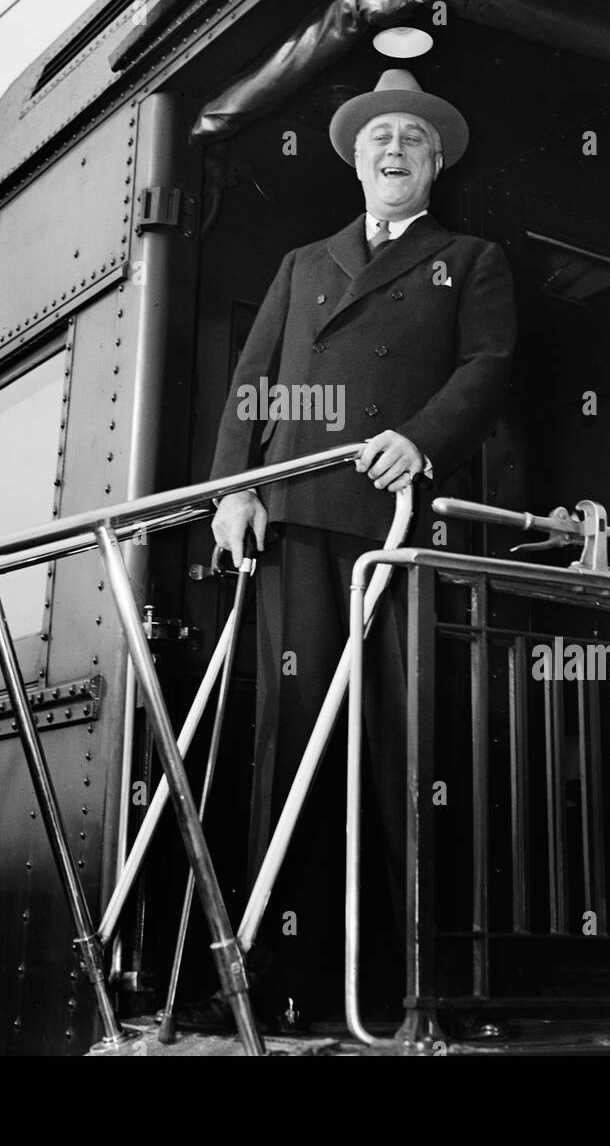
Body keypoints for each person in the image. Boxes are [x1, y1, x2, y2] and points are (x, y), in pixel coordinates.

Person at [195, 69, 516, 1031]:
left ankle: (410, 987)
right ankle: (282, 981)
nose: (392, 151)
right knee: (291, 743)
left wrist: (419, 437)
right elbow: (252, 385)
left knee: (398, 748)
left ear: (435, 163)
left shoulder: (471, 257)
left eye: (411, 140)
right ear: (354, 159)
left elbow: (488, 368)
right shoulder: (302, 264)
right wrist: (235, 489)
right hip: (295, 521)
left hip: (390, 525)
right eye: (378, 136)